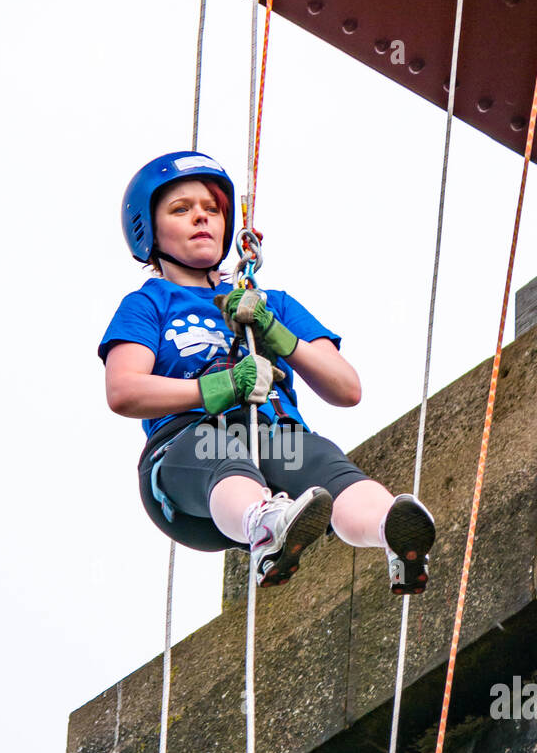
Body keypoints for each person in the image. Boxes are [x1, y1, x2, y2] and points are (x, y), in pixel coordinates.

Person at [99, 151, 435, 591]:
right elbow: (124, 390)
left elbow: (346, 388)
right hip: (186, 449)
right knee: (219, 450)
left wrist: (278, 335)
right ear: (150, 230)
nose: (201, 218)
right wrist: (218, 388)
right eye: (181, 210)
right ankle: (263, 523)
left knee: (321, 461)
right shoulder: (149, 304)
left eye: (212, 210)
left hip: (273, 435)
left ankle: (391, 530)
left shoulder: (268, 303)